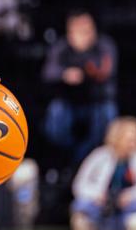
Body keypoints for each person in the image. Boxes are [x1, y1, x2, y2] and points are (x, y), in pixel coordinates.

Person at [42, 11, 118, 167]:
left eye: (88, 29)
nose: (85, 34)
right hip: (69, 101)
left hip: (98, 100)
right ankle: (71, 158)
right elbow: (48, 72)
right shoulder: (61, 47)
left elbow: (106, 71)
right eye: (79, 30)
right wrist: (65, 74)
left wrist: (87, 67)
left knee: (107, 117)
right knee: (55, 119)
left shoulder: (104, 45)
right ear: (70, 33)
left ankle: (82, 160)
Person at [71, 116, 136, 230]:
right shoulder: (99, 156)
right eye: (129, 139)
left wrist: (131, 196)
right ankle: (88, 226)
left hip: (130, 205)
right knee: (81, 205)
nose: (134, 142)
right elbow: (79, 184)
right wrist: (96, 195)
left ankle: (133, 225)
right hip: (101, 204)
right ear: (117, 137)